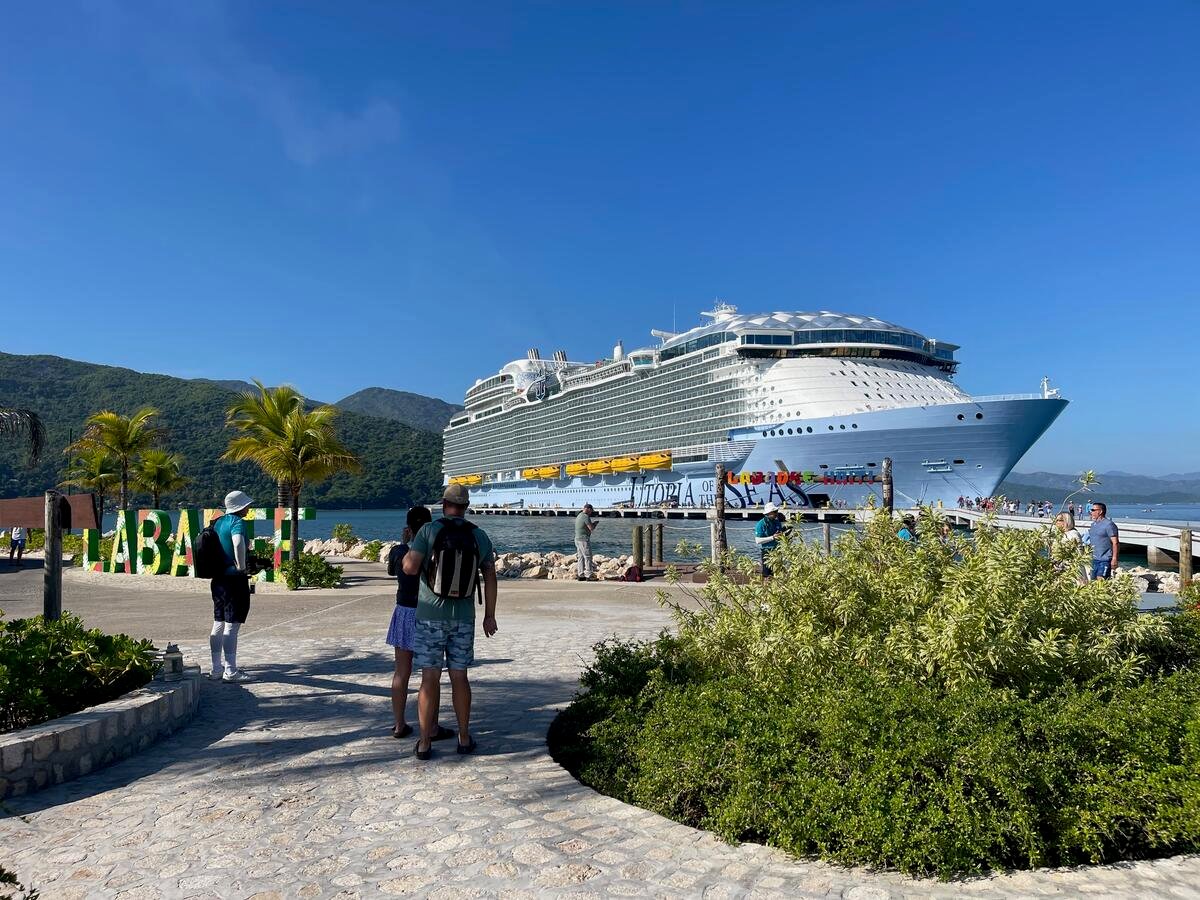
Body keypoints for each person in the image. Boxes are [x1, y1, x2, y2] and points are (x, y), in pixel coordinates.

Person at [403, 484, 498, 760]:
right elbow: (490, 577)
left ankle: (424, 742)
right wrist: (489, 615)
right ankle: (464, 738)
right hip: (464, 619)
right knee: (460, 677)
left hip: (430, 617)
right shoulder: (479, 535)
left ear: (444, 505)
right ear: (466, 507)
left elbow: (410, 568)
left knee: (429, 678)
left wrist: (410, 547)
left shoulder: (428, 531)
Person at [385, 506, 454, 741]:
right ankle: (432, 726)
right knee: (431, 675)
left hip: (403, 612)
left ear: (409, 527)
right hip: (428, 612)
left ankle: (399, 724)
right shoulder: (435, 552)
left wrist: (404, 543)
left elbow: (392, 571)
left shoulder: (399, 551)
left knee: (401, 672)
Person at [209, 491, 255, 683]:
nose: (249, 508)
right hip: (233, 580)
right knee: (232, 626)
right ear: (240, 506)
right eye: (247, 505)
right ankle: (231, 670)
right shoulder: (237, 522)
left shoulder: (217, 523)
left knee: (218, 622)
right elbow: (237, 543)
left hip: (218, 579)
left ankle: (216, 669)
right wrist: (241, 567)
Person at [1087, 502, 1120, 580]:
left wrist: (1114, 559)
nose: (1091, 512)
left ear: (1100, 511)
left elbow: (1115, 542)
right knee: (1093, 582)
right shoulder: (1093, 525)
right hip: (1094, 559)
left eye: (1093, 510)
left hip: (1105, 560)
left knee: (1101, 581)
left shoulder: (1109, 525)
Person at [754, 502, 785, 577]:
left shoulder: (777, 522)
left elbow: (780, 535)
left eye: (776, 511)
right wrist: (773, 537)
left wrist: (785, 533)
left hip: (778, 550)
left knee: (778, 573)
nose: (777, 513)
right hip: (767, 551)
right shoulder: (761, 524)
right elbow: (758, 541)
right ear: (769, 513)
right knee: (767, 574)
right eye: (775, 511)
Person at [574, 503, 598, 580]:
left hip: (577, 539)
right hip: (583, 539)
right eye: (591, 511)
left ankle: (580, 575)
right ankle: (589, 575)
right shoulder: (585, 516)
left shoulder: (579, 515)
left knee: (580, 557)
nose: (591, 513)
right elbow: (591, 528)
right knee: (588, 557)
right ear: (588, 509)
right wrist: (595, 524)